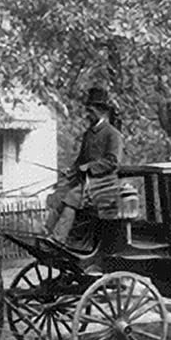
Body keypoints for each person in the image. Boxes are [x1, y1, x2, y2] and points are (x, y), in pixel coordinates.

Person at [45, 87, 124, 244]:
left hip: (104, 183)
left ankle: (58, 239)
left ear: (101, 111)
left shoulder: (112, 134)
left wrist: (89, 167)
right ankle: (46, 233)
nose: (87, 114)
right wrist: (71, 170)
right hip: (86, 181)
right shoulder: (88, 134)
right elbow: (80, 160)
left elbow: (113, 162)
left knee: (71, 197)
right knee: (59, 193)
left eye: (90, 111)